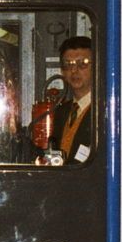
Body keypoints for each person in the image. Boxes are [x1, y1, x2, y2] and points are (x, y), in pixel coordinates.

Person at [42, 36, 96, 164]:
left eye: (82, 64)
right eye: (68, 64)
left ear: (96, 67)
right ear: (62, 71)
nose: (74, 70)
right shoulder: (62, 112)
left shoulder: (103, 112)